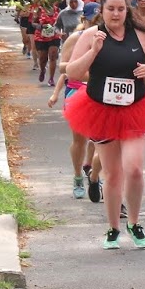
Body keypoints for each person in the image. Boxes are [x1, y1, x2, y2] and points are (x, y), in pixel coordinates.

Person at [62, 0, 145, 249]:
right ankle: (112, 228)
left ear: (127, 10)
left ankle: (134, 222)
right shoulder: (90, 35)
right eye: (111, 9)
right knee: (112, 174)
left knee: (134, 169)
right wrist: (94, 51)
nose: (116, 14)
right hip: (101, 109)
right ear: (102, 10)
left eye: (121, 9)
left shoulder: (140, 35)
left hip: (135, 108)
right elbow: (72, 72)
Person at [46, 23, 99, 201]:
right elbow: (64, 70)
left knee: (100, 138)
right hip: (77, 92)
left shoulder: (115, 38)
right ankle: (78, 177)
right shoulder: (76, 39)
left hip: (102, 92)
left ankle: (93, 173)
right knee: (80, 139)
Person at [32, 0, 64, 85]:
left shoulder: (58, 10)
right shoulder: (39, 10)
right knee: (43, 58)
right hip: (41, 37)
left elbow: (62, 22)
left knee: (53, 56)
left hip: (54, 36)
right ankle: (42, 70)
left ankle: (51, 78)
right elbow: (33, 23)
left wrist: (58, 29)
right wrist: (41, 26)